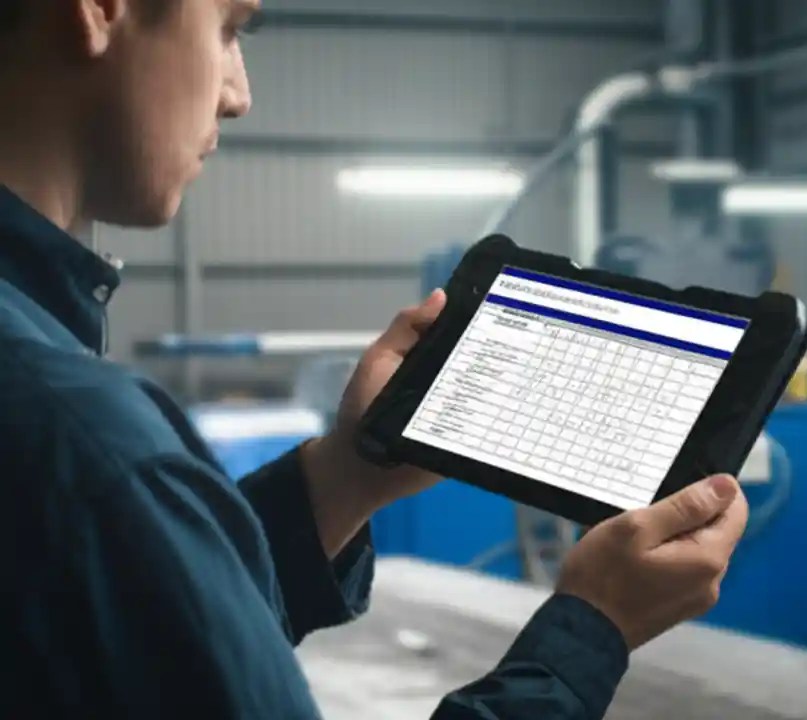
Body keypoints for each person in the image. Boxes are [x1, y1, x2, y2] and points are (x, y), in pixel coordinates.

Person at [1, 1, 750, 717]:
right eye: (228, 26)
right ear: (100, 5)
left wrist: (351, 471)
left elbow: (144, 644)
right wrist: (592, 628)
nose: (239, 95)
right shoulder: (84, 443)